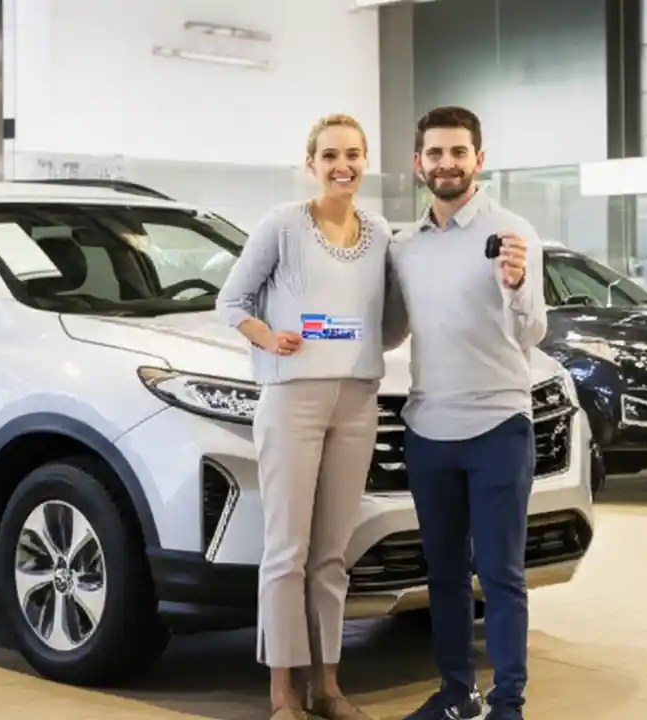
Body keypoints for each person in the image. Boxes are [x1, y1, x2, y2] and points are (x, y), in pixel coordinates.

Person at [216, 113, 407, 720]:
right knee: (287, 551)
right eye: (330, 156)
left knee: (332, 554)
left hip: (357, 399)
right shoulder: (282, 224)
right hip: (292, 397)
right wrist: (268, 338)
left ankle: (327, 688)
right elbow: (230, 301)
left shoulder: (381, 234)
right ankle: (282, 693)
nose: (342, 166)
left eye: (352, 155)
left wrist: (363, 342)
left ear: (365, 160)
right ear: (311, 163)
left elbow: (392, 323)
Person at [390, 106, 546, 720]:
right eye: (435, 153)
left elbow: (532, 330)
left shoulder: (512, 232)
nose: (447, 163)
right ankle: (458, 695)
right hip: (428, 427)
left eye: (459, 152)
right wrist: (309, 332)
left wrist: (515, 285)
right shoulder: (405, 246)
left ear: (479, 159)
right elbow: (389, 331)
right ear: (418, 163)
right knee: (445, 576)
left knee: (502, 575)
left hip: (498, 427)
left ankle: (508, 704)